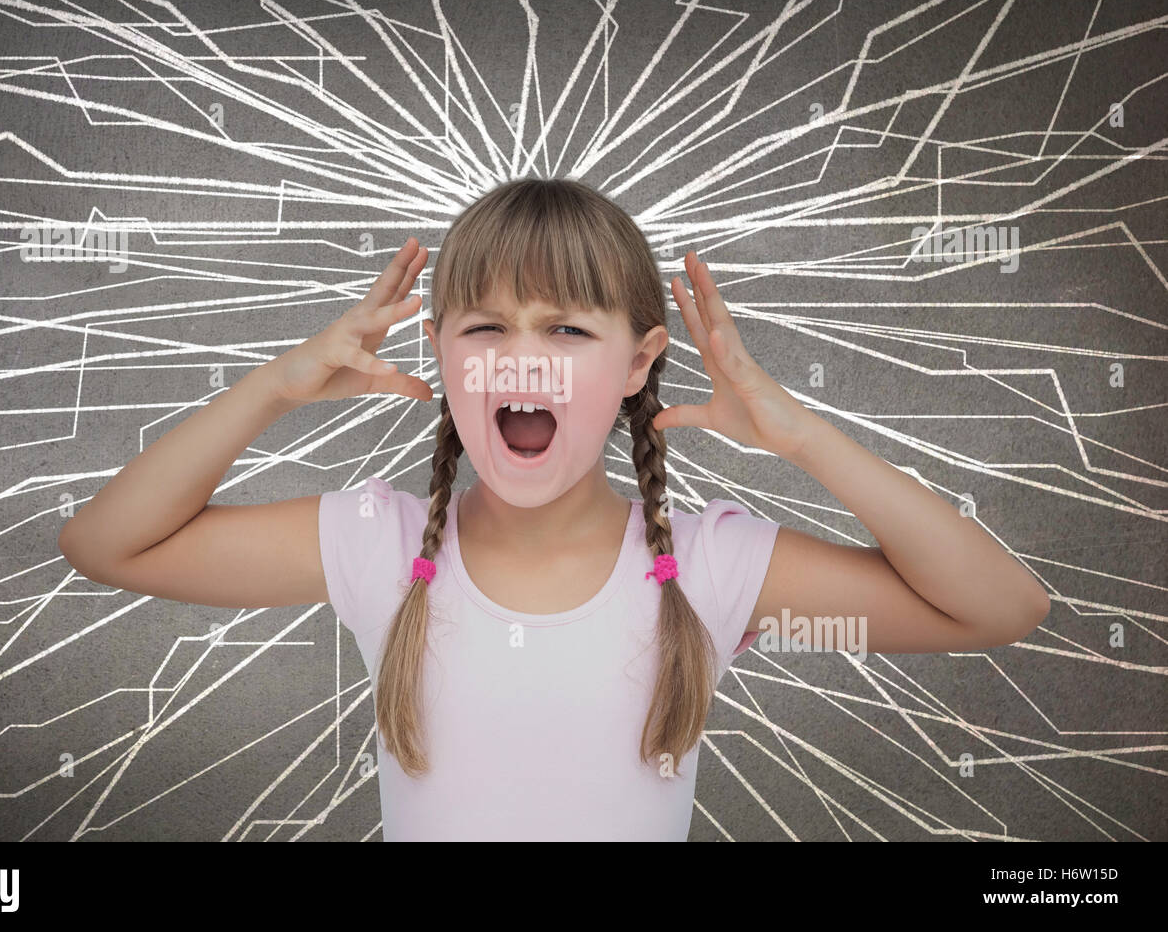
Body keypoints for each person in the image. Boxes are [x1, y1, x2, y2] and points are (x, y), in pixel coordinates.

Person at [57, 177, 1050, 841]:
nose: (522, 359)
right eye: (485, 327)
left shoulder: (709, 570)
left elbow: (1000, 608)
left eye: (568, 328)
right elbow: (108, 543)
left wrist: (802, 437)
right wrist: (275, 385)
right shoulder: (379, 543)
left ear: (637, 364)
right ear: (441, 354)